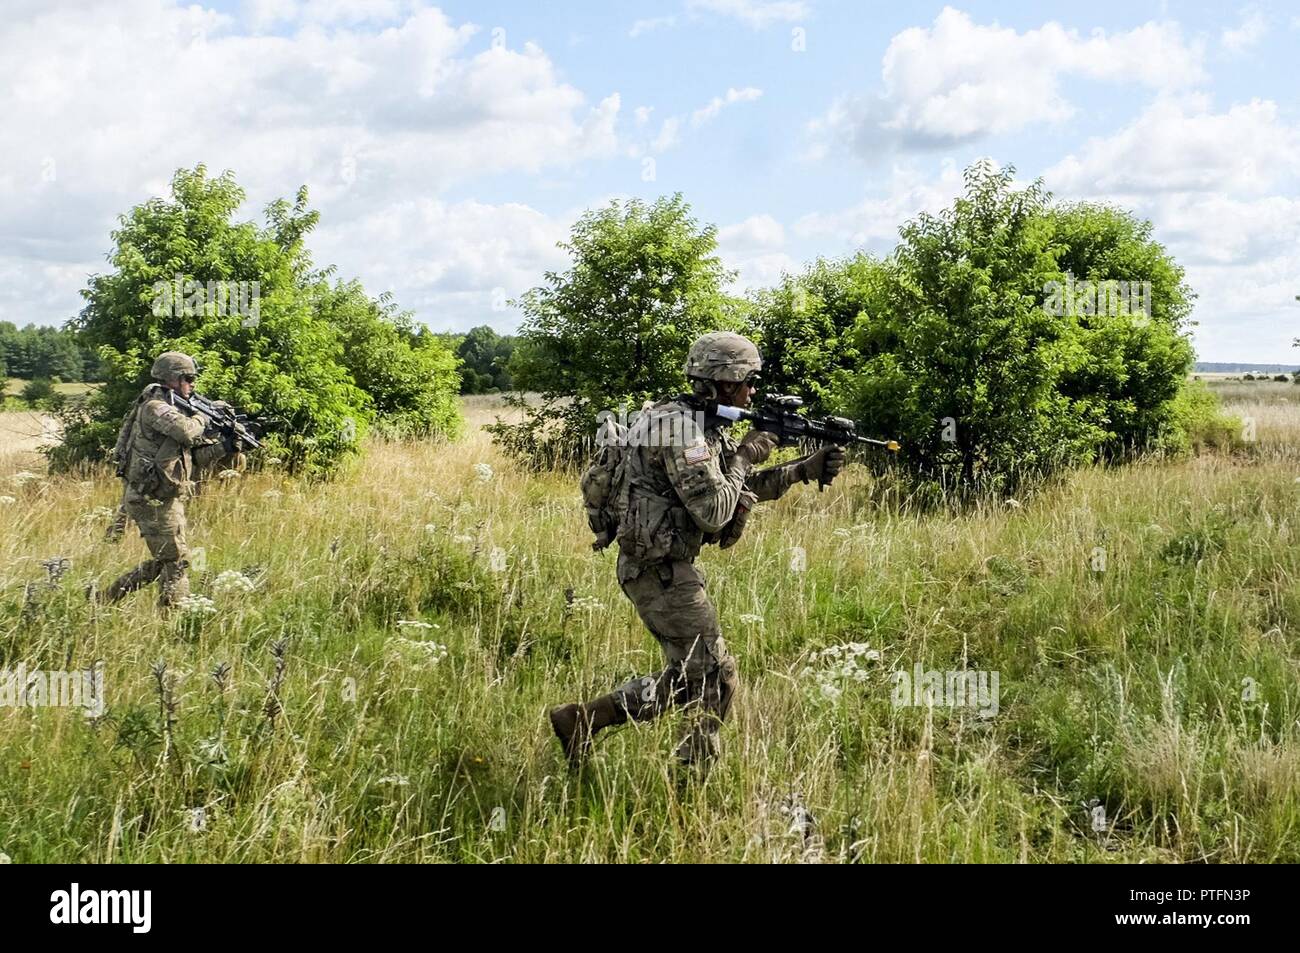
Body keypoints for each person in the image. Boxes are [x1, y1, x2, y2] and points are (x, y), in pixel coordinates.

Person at [549, 331, 846, 770]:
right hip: (658, 571)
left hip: (662, 567)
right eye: (748, 380)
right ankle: (693, 772)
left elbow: (732, 488)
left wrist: (802, 469)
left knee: (691, 677)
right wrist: (748, 452)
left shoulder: (697, 422)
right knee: (714, 676)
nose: (753, 391)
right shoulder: (680, 431)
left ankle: (585, 719)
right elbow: (713, 512)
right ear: (723, 382)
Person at [100, 351, 240, 607]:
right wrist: (204, 415)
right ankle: (173, 616)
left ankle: (105, 598)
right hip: (150, 498)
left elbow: (192, 459)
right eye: (188, 378)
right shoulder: (155, 407)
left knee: (169, 560)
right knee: (176, 562)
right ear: (172, 379)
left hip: (165, 496)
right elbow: (187, 432)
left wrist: (227, 447)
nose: (192, 383)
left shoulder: (176, 407)